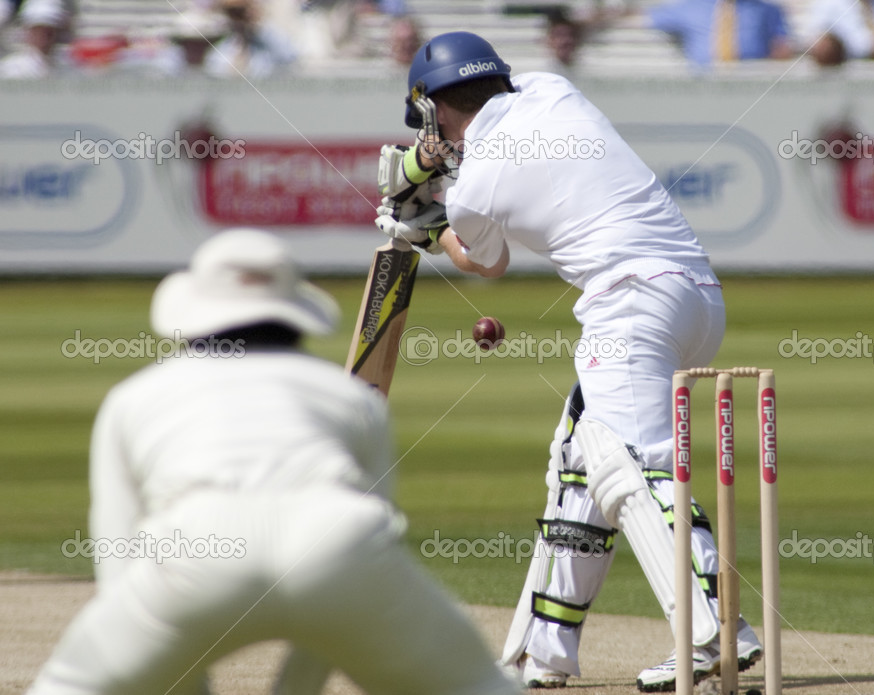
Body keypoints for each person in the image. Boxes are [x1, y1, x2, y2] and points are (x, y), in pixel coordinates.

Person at [374, 31, 762, 691]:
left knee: (629, 462)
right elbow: (504, 151)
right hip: (696, 297)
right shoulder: (554, 88)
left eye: (430, 119)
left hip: (630, 304)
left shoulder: (475, 189)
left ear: (436, 108)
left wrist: (429, 228)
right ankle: (542, 652)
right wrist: (442, 185)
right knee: (578, 463)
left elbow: (486, 263)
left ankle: (713, 629)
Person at [26, 228, 521, 695]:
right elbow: (363, 554)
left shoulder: (134, 397)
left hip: (195, 548)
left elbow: (119, 564)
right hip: (338, 539)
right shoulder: (352, 399)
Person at [648, 0, 792, 67]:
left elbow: (782, 45)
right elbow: (643, 18)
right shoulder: (690, 6)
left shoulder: (767, 10)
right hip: (703, 80)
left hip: (750, 79)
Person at [204, 0, 297, 78]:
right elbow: (216, 72)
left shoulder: (269, 45)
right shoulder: (221, 52)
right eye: (234, 13)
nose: (240, 18)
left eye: (242, 12)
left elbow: (289, 56)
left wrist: (257, 27)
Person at [0, 0, 68, 78]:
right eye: (38, 30)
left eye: (49, 31)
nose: (44, 36)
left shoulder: (64, 64)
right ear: (28, 31)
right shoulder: (12, 68)